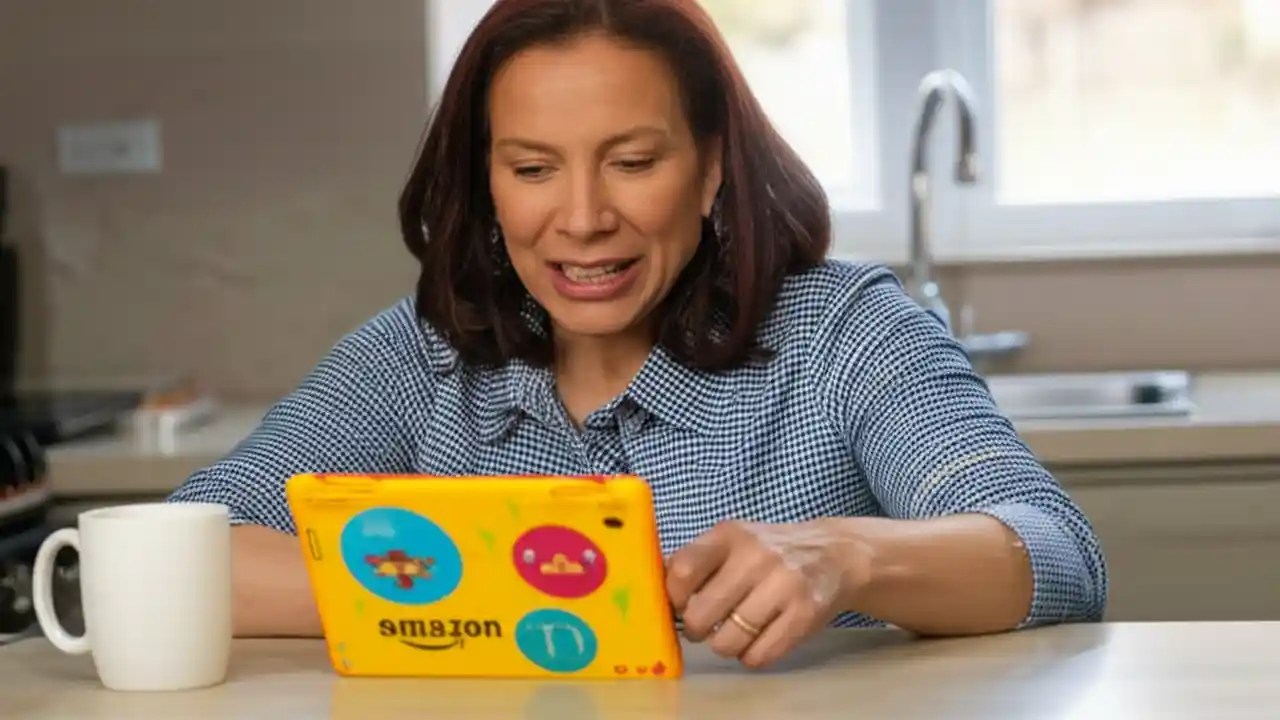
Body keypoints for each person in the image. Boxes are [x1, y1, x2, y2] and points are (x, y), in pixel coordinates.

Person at [167, 0, 1106, 669]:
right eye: (533, 168)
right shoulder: (418, 358)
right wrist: (551, 589)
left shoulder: (845, 332)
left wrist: (845, 555)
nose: (581, 219)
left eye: (632, 162)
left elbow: (1056, 554)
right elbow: (177, 557)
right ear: (488, 183)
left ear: (709, 170)